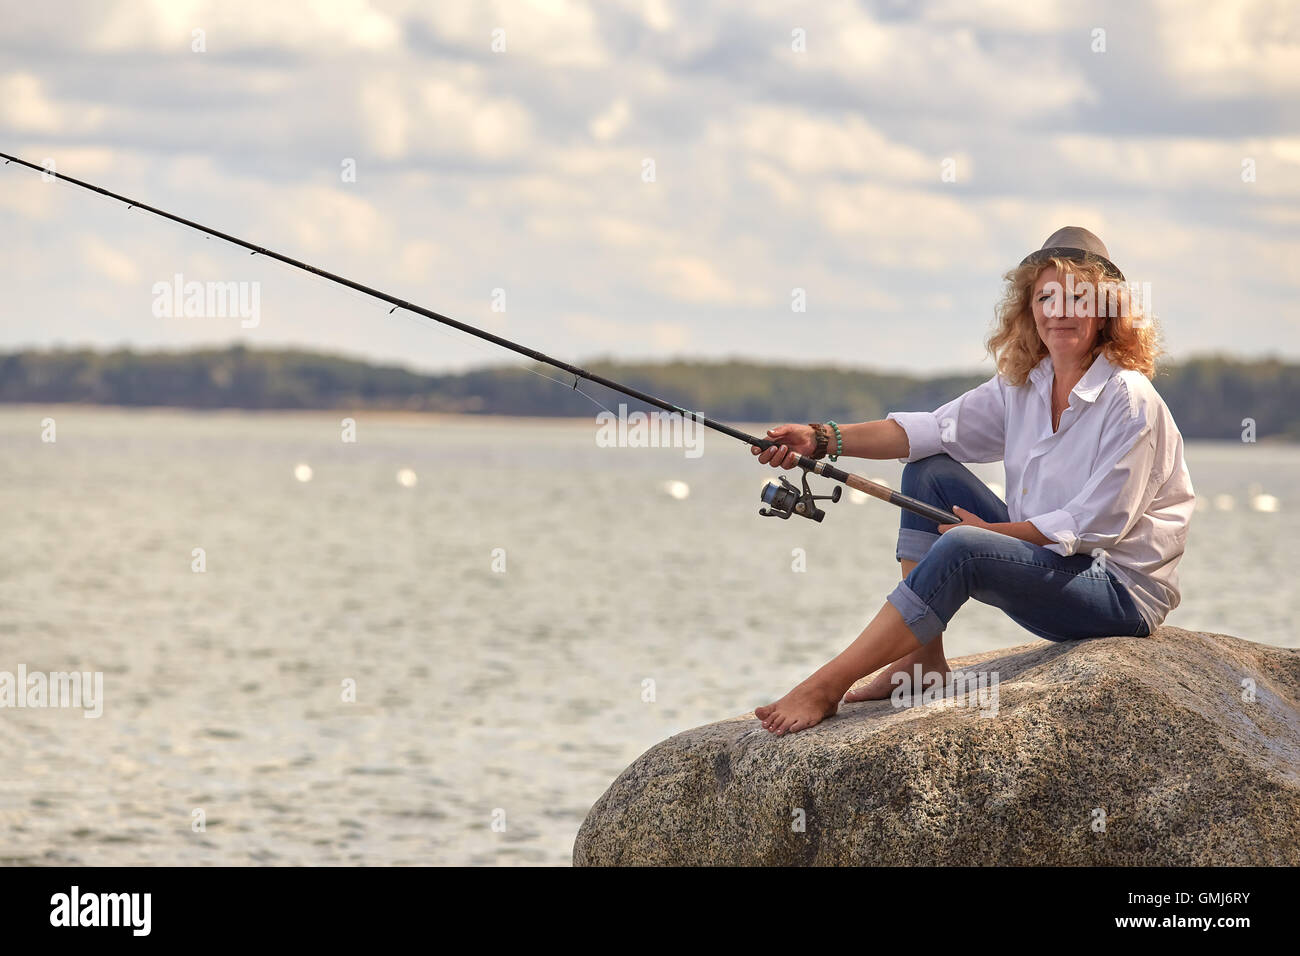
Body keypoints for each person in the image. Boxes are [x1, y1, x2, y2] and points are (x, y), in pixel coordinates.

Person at [751, 227, 1195, 736]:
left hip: (1117, 592)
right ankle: (920, 662)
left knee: (964, 547)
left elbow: (1096, 527)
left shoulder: (1130, 398)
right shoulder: (1026, 384)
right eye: (1046, 296)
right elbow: (928, 431)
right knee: (927, 472)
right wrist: (821, 437)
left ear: (1107, 310)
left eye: (1078, 297)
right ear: (1030, 308)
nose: (1060, 310)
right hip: (1051, 563)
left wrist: (991, 536)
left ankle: (826, 685)